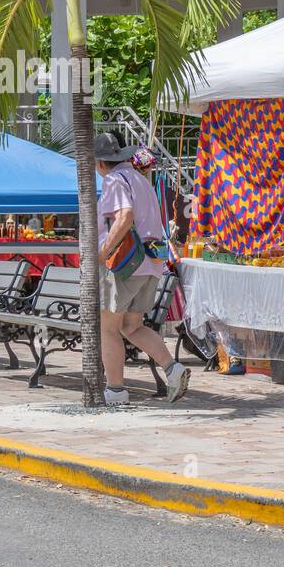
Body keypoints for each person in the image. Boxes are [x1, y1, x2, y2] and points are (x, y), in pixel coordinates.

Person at [93, 133, 189, 406]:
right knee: (132, 326)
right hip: (151, 263)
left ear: (101, 163)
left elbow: (124, 216)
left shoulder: (114, 180)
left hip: (124, 264)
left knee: (109, 328)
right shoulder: (139, 178)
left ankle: (115, 391)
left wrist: (103, 253)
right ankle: (173, 369)